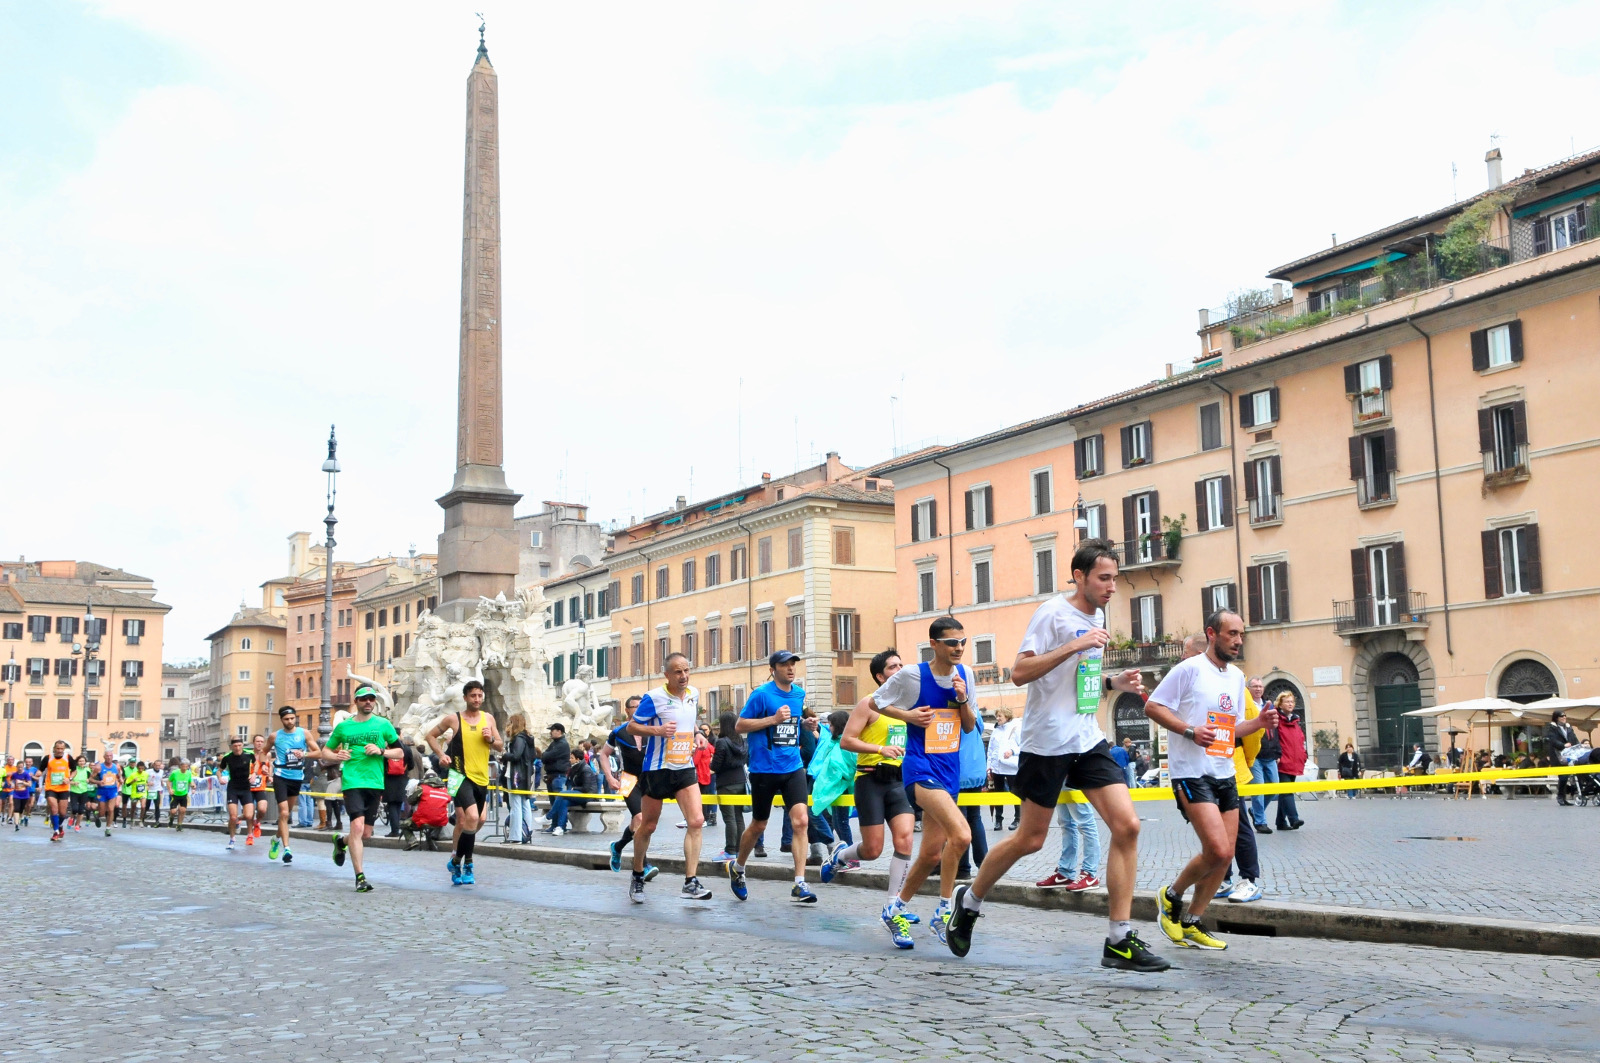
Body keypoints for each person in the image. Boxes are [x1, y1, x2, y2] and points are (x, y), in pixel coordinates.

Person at [945, 540, 1160, 970]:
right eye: (1104, 578)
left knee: (1128, 825)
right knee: (1031, 839)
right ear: (1079, 576)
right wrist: (1073, 645)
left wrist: (1115, 683)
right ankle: (968, 901)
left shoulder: (1097, 615)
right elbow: (1020, 672)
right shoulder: (1052, 613)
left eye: (1115, 578)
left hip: (1086, 738)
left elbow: (1079, 682)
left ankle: (1118, 938)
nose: (1112, 587)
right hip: (1046, 742)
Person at [1145, 608, 1277, 952]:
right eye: (1232, 634)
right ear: (1212, 634)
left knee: (1225, 853)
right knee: (1217, 849)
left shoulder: (1235, 677)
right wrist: (1189, 731)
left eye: (1241, 634)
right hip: (1191, 772)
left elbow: (1231, 730)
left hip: (1223, 772)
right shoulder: (1188, 669)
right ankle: (1171, 896)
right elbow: (1153, 707)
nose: (1238, 640)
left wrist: (1261, 723)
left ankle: (1191, 922)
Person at [869, 617, 977, 945]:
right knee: (962, 835)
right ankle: (945, 911)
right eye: (951, 643)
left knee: (931, 853)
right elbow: (876, 702)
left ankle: (895, 909)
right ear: (934, 644)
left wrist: (961, 700)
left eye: (962, 642)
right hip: (919, 768)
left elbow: (969, 727)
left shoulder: (966, 675)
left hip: (949, 770)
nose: (958, 648)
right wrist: (909, 715)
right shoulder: (913, 675)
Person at [827, 648, 926, 948]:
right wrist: (879, 750)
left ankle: (893, 907)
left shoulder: (910, 704)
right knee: (872, 850)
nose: (900, 669)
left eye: (901, 664)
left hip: (899, 781)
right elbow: (847, 740)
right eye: (893, 667)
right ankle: (840, 857)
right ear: (881, 676)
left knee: (905, 840)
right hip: (870, 779)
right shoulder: (869, 704)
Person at [728, 650, 817, 904]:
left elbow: (792, 724)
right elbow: (740, 726)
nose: (790, 668)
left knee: (801, 821)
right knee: (759, 825)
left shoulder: (799, 694)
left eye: (793, 664)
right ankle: (738, 867)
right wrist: (773, 719)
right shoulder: (761, 694)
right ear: (773, 668)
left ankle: (800, 883)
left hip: (792, 766)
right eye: (784, 665)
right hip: (764, 768)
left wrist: (806, 726)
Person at [626, 652, 713, 903]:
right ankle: (638, 874)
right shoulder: (654, 698)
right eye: (678, 672)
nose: (684, 676)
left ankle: (690, 882)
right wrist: (657, 730)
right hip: (657, 769)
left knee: (696, 821)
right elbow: (632, 726)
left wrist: (697, 733)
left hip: (684, 768)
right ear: (667, 675)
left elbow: (688, 720)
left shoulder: (694, 694)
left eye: (686, 670)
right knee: (649, 826)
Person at [318, 684, 404, 892]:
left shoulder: (383, 724)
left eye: (371, 699)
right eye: (363, 698)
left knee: (365, 833)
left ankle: (341, 842)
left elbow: (400, 753)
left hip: (375, 783)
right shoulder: (344, 727)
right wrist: (336, 756)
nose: (368, 702)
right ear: (356, 702)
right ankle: (360, 877)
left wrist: (381, 750)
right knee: (356, 827)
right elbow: (325, 752)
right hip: (352, 781)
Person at [424, 678, 504, 886]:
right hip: (459, 776)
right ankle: (467, 864)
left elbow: (500, 746)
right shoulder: (454, 719)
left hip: (481, 777)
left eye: (480, 695)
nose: (477, 699)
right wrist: (441, 754)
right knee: (469, 817)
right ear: (465, 698)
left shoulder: (488, 719)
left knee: (478, 820)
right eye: (473, 696)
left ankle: (456, 859)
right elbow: (430, 736)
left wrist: (490, 740)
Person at [602, 696, 659, 881]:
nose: (638, 709)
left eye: (641, 706)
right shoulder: (619, 732)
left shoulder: (651, 730)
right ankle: (644, 865)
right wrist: (610, 776)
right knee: (640, 818)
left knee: (641, 823)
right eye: (635, 707)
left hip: (649, 779)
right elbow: (604, 754)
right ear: (627, 711)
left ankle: (618, 847)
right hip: (627, 779)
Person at [270, 707, 319, 862]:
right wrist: (266, 765)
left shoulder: (304, 733)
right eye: (286, 719)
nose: (290, 721)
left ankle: (276, 839)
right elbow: (264, 751)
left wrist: (304, 754)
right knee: (284, 813)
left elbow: (318, 752)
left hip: (296, 777)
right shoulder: (275, 736)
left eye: (292, 718)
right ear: (281, 720)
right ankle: (287, 849)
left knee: (287, 813)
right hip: (280, 776)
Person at [955, 707, 988, 881]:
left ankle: (962, 867)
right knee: (975, 818)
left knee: (959, 821)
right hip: (976, 770)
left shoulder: (950, 710)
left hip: (958, 770)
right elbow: (979, 729)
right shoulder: (974, 710)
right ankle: (984, 864)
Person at [710, 711, 748, 862]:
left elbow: (716, 765)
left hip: (725, 784)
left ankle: (730, 851)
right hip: (741, 781)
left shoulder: (722, 742)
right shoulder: (742, 741)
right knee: (738, 817)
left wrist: (711, 763)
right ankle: (739, 849)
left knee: (729, 819)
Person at [1274, 692, 1307, 830]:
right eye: (1287, 701)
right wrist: (1276, 754)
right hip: (1282, 761)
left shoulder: (1295, 721)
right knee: (1287, 791)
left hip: (1294, 761)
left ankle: (1281, 822)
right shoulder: (1277, 720)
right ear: (1280, 704)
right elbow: (1274, 738)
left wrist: (1303, 756)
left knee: (1285, 792)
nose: (1290, 704)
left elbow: (1300, 741)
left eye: (1292, 702)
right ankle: (1294, 819)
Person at [502, 716, 538, 842]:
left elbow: (516, 756)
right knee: (524, 804)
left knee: (516, 805)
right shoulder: (528, 738)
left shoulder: (518, 738)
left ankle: (516, 835)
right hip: (524, 774)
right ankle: (525, 833)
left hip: (515, 774)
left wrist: (504, 755)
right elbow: (532, 756)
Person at [986, 707, 1020, 831]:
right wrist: (988, 767)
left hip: (1011, 768)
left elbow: (1023, 746)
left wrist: (1012, 751)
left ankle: (1017, 819)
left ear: (1007, 717)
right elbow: (990, 750)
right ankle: (998, 820)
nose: (998, 718)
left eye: (1000, 716)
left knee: (1015, 793)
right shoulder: (996, 730)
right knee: (998, 794)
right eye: (997, 716)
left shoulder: (1015, 729)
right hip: (997, 768)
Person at [219, 737, 256, 850]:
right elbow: (219, 770)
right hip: (233, 788)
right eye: (235, 746)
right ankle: (232, 839)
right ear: (231, 747)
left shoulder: (249, 754)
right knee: (232, 815)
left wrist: (253, 773)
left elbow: (256, 764)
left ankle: (237, 820)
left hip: (245, 788)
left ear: (242, 745)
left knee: (249, 815)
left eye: (239, 745)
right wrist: (220, 778)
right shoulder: (227, 757)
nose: (237, 748)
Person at [538, 723, 573, 837]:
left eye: (552, 730)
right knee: (554, 802)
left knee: (559, 802)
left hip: (558, 776)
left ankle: (561, 826)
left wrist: (545, 756)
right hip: (552, 776)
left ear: (559, 731)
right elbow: (544, 756)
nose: (550, 732)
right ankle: (554, 825)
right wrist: (545, 756)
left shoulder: (562, 744)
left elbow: (547, 756)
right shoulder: (555, 743)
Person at [40, 741, 76, 842]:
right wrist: (35, 775)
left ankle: (59, 826)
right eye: (58, 748)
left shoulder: (68, 758)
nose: (60, 750)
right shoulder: (48, 758)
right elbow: (40, 770)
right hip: (50, 787)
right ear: (54, 748)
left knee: (63, 813)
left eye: (61, 749)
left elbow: (74, 770)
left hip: (64, 788)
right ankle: (55, 831)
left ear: (64, 749)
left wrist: (70, 779)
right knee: (54, 809)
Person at [382, 736, 415, 839]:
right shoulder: (406, 749)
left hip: (389, 780)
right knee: (399, 803)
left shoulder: (386, 751)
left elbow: (382, 765)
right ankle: (398, 827)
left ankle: (394, 830)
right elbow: (411, 765)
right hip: (402, 779)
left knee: (392, 805)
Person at [1545, 710, 1579, 805]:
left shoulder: (1568, 727)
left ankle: (1562, 797)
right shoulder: (1552, 728)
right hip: (1558, 756)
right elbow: (1552, 740)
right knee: (1563, 777)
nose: (1564, 717)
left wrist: (1580, 745)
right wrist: (1563, 745)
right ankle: (1560, 797)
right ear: (1556, 718)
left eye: (1565, 716)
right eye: (1561, 716)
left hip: (1568, 755)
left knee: (1565, 777)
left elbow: (1574, 738)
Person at [249, 734, 274, 842]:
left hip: (260, 786)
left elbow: (270, 766)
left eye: (261, 741)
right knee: (249, 813)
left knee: (262, 809)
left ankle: (257, 821)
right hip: (248, 787)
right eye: (257, 741)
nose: (259, 743)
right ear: (253, 742)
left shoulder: (266, 754)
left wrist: (269, 775)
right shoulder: (248, 755)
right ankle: (249, 835)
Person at [693, 729, 717, 830]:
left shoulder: (700, 747)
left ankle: (703, 818)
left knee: (700, 798)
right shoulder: (710, 746)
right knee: (707, 796)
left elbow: (695, 761)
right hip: (708, 774)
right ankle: (708, 818)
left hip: (700, 775)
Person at [92, 752, 120, 835]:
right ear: (104, 757)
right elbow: (90, 779)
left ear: (112, 757)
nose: (108, 757)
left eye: (110, 756)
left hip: (112, 791)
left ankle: (108, 828)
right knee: (102, 813)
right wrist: (98, 782)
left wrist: (121, 780)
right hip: (102, 791)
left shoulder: (116, 767)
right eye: (107, 756)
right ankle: (97, 814)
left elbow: (119, 776)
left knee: (111, 809)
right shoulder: (98, 767)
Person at [67, 754, 94, 833]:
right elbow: (68, 780)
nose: (81, 762)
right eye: (80, 761)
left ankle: (77, 825)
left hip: (84, 791)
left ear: (85, 762)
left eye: (83, 761)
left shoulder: (88, 770)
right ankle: (71, 818)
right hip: (74, 791)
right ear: (77, 762)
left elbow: (91, 779)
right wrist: (73, 783)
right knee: (75, 808)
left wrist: (89, 780)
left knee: (81, 810)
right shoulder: (74, 770)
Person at [166, 759, 193, 832]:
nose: (184, 768)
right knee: (173, 811)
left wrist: (193, 786)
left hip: (183, 794)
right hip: (175, 794)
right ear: (180, 766)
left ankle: (179, 825)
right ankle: (171, 819)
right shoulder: (175, 773)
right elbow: (168, 781)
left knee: (182, 810)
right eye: (183, 766)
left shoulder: (189, 773)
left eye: (186, 767)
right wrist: (170, 789)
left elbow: (191, 781)